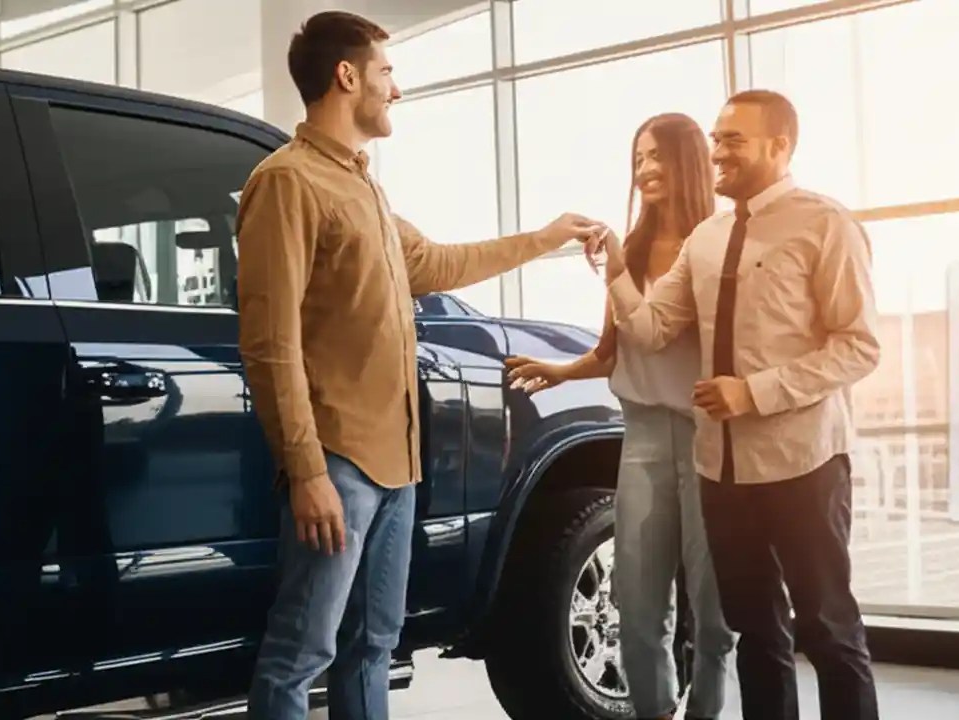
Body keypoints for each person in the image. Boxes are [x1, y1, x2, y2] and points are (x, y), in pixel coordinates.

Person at [235, 11, 605, 720]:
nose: (394, 90)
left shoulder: (365, 189)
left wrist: (547, 236)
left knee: (374, 644)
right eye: (386, 73)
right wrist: (307, 470)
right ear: (347, 77)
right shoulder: (287, 182)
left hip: (397, 467)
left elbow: (436, 264)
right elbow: (270, 341)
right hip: (339, 462)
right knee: (299, 651)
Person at [594, 90, 881, 720]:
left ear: (781, 146)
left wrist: (752, 393)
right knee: (755, 633)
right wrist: (616, 269)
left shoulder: (824, 223)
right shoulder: (707, 237)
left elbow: (859, 346)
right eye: (716, 139)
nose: (718, 151)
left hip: (804, 463)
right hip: (721, 472)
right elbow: (648, 331)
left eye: (734, 140)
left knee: (829, 628)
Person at [505, 113, 735, 720]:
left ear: (687, 161)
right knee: (636, 604)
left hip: (709, 439)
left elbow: (658, 333)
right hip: (641, 439)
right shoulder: (630, 249)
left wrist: (615, 273)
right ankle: (656, 711)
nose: (646, 168)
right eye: (638, 158)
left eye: (658, 155)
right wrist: (559, 372)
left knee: (713, 611)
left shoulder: (713, 244)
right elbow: (615, 350)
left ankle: (706, 713)